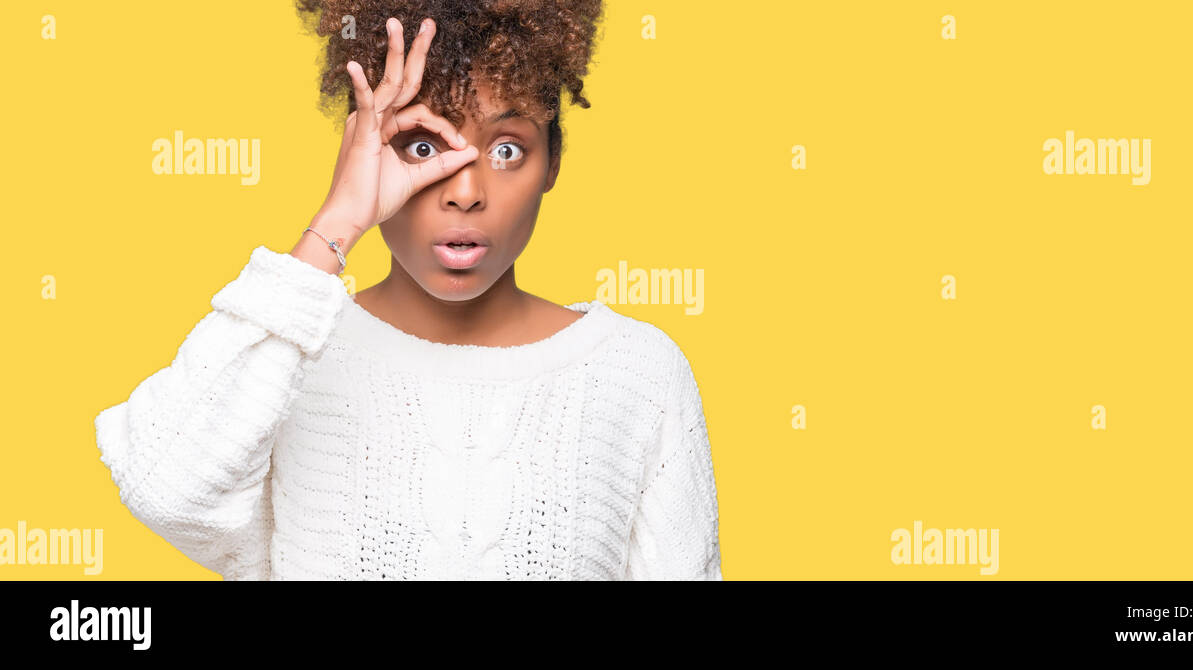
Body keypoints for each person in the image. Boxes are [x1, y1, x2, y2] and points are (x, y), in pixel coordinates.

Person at [92, 1, 722, 580]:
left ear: (552, 162)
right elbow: (164, 486)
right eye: (422, 145)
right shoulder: (291, 355)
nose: (465, 189)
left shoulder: (638, 374)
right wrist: (339, 220)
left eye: (506, 149)